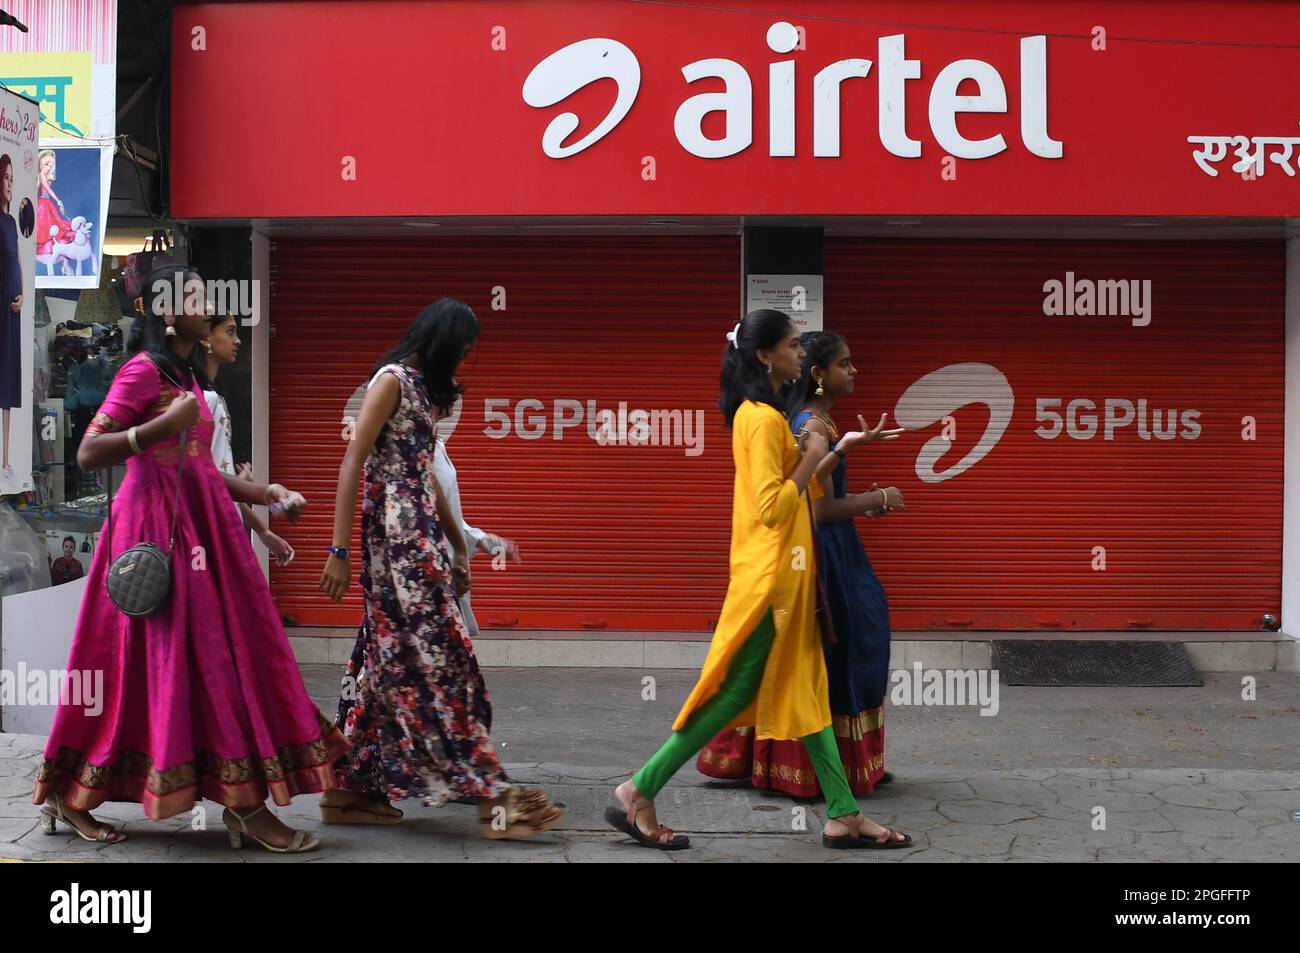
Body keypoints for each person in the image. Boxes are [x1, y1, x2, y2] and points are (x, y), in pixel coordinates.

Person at [33, 264, 348, 853]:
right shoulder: (141, 372)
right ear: (167, 312)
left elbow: (202, 467)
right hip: (154, 540)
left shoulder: (187, 377)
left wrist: (267, 493)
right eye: (198, 296)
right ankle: (74, 792)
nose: (209, 304)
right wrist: (150, 433)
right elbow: (88, 452)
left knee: (220, 664)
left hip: (203, 535)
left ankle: (239, 801)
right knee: (147, 672)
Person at [605, 310, 913, 850]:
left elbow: (791, 488)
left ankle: (842, 812)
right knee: (732, 696)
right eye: (794, 346)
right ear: (766, 355)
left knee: (808, 691)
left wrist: (837, 451)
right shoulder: (766, 420)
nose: (801, 354)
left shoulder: (757, 413)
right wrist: (816, 454)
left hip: (783, 579)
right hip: (773, 584)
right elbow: (774, 507)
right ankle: (639, 789)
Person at [318, 297, 563, 838]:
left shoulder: (426, 397)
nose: (464, 361)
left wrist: (457, 548)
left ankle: (349, 791)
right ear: (442, 341)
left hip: (421, 547)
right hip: (396, 554)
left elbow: (428, 480)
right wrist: (337, 551)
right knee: (441, 664)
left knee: (388, 665)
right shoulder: (391, 382)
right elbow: (352, 460)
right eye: (463, 351)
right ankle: (490, 801)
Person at [698, 331, 906, 798]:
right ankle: (830, 782)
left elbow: (815, 488)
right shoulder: (799, 422)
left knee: (818, 663)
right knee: (834, 656)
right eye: (845, 364)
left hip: (820, 553)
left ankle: (837, 784)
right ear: (814, 373)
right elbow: (809, 506)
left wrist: (847, 454)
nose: (854, 372)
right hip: (815, 557)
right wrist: (876, 496)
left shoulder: (807, 421)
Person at [190, 309, 295, 563]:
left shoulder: (210, 395)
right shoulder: (206, 401)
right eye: (229, 332)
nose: (237, 340)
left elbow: (218, 480)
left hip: (219, 525)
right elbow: (210, 478)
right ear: (206, 338)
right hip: (212, 530)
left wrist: (263, 530)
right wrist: (244, 485)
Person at [433, 399, 521, 637]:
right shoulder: (415, 447)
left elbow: (446, 510)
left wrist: (482, 539)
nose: (455, 395)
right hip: (428, 571)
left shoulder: (435, 445)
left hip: (447, 568)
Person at [0, 154, 23, 480]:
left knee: (8, 383)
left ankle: (5, 460)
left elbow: (17, 260)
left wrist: (22, 296)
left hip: (13, 307)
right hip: (2, 304)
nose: (9, 184)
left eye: (11, 179)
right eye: (5, 178)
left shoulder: (12, 222)